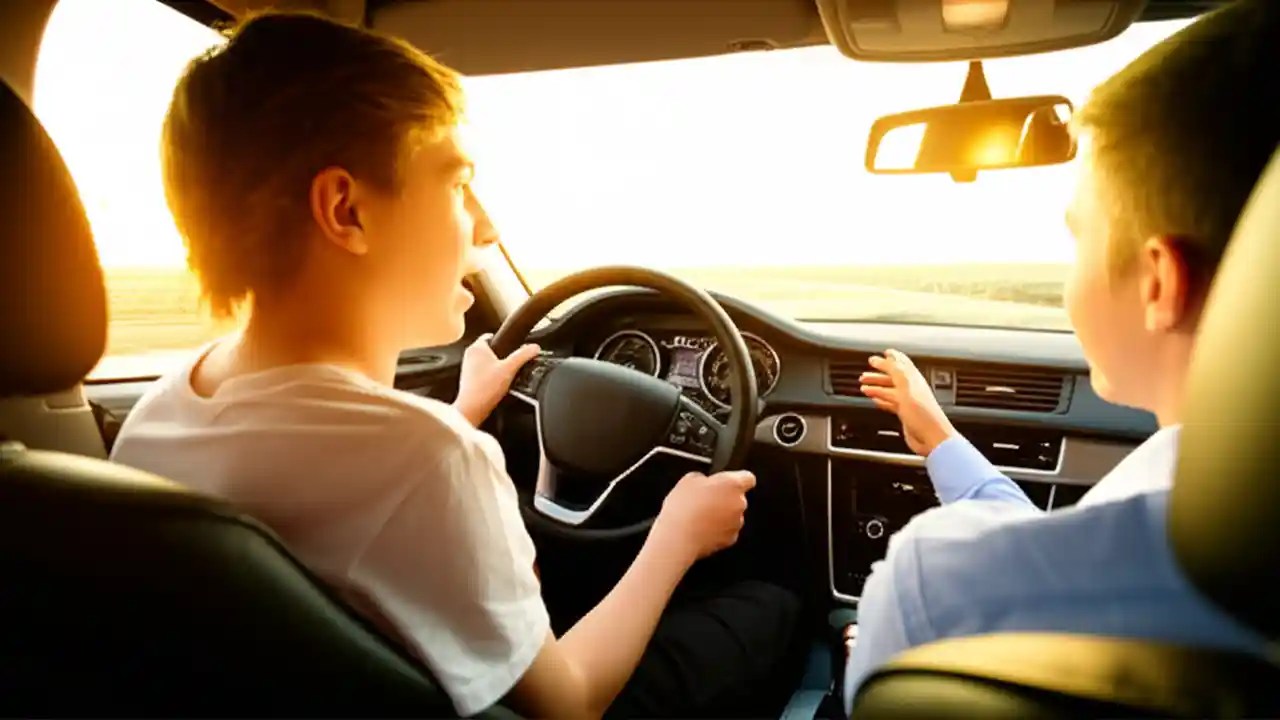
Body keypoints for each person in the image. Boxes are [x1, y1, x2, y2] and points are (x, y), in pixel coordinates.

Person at [109, 12, 800, 719]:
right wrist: (676, 536)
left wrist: (460, 412)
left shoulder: (159, 417)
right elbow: (569, 701)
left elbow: (339, 481)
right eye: (456, 183)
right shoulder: (434, 459)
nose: (486, 225)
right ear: (346, 210)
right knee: (767, 604)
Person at [843, 0, 1279, 711]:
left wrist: (873, 656)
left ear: (1160, 283)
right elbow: (1059, 548)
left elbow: (1042, 558)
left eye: (1078, 238)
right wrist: (945, 444)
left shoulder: (934, 595)